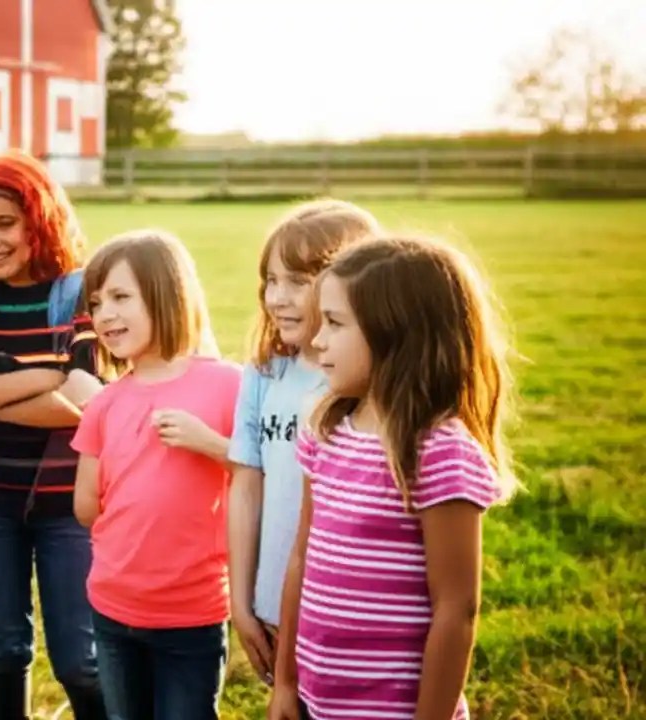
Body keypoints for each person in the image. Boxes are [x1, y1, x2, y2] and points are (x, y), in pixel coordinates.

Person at [268, 236, 519, 720]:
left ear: (397, 336)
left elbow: (456, 610)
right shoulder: (325, 431)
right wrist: (285, 682)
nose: (317, 340)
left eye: (335, 323)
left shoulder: (438, 452)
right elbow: (301, 557)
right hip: (320, 705)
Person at [0, 150, 107, 720]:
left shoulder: (80, 295)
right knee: (3, 646)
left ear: (39, 219)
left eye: (5, 223)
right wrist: (36, 376)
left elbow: (82, 403)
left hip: (69, 509)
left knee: (79, 658)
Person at [71, 229, 242, 720]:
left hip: (193, 612)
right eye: (97, 302)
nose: (104, 315)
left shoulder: (228, 384)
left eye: (121, 297)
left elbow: (265, 475)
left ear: (169, 294)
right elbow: (85, 508)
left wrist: (208, 444)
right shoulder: (102, 403)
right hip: (113, 609)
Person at [226, 200, 380, 687]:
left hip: (345, 616)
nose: (278, 297)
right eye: (271, 280)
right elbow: (247, 484)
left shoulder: (360, 384)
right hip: (273, 603)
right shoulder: (264, 371)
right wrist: (241, 601)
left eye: (297, 281)